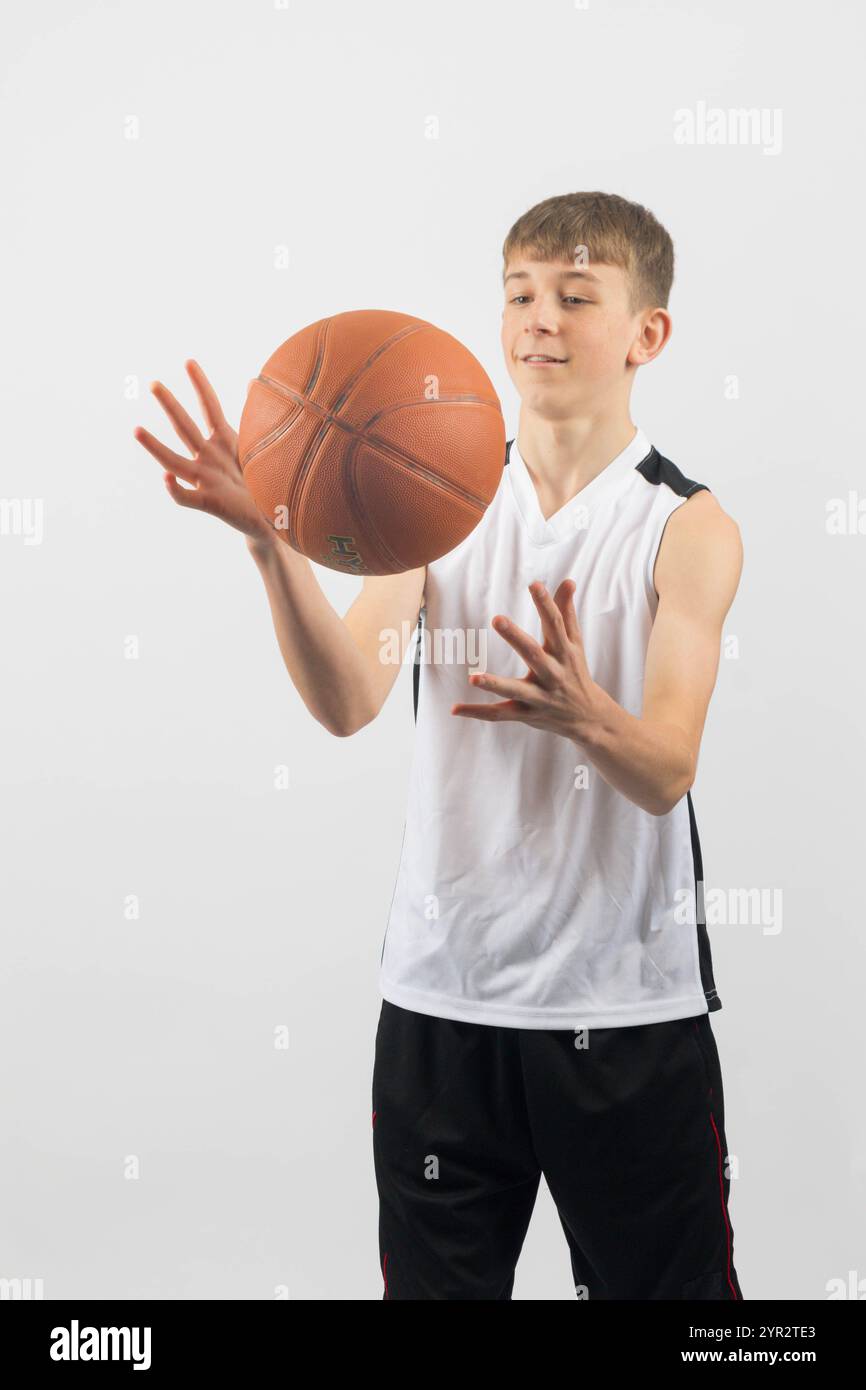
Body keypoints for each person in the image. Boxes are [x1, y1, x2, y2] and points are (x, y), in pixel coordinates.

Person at [134, 190, 744, 1301]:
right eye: (518, 294)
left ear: (645, 334)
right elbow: (345, 698)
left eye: (573, 296)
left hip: (619, 1011)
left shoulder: (684, 525)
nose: (536, 320)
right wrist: (272, 546)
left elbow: (664, 770)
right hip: (441, 1005)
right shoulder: (435, 499)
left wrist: (582, 712)